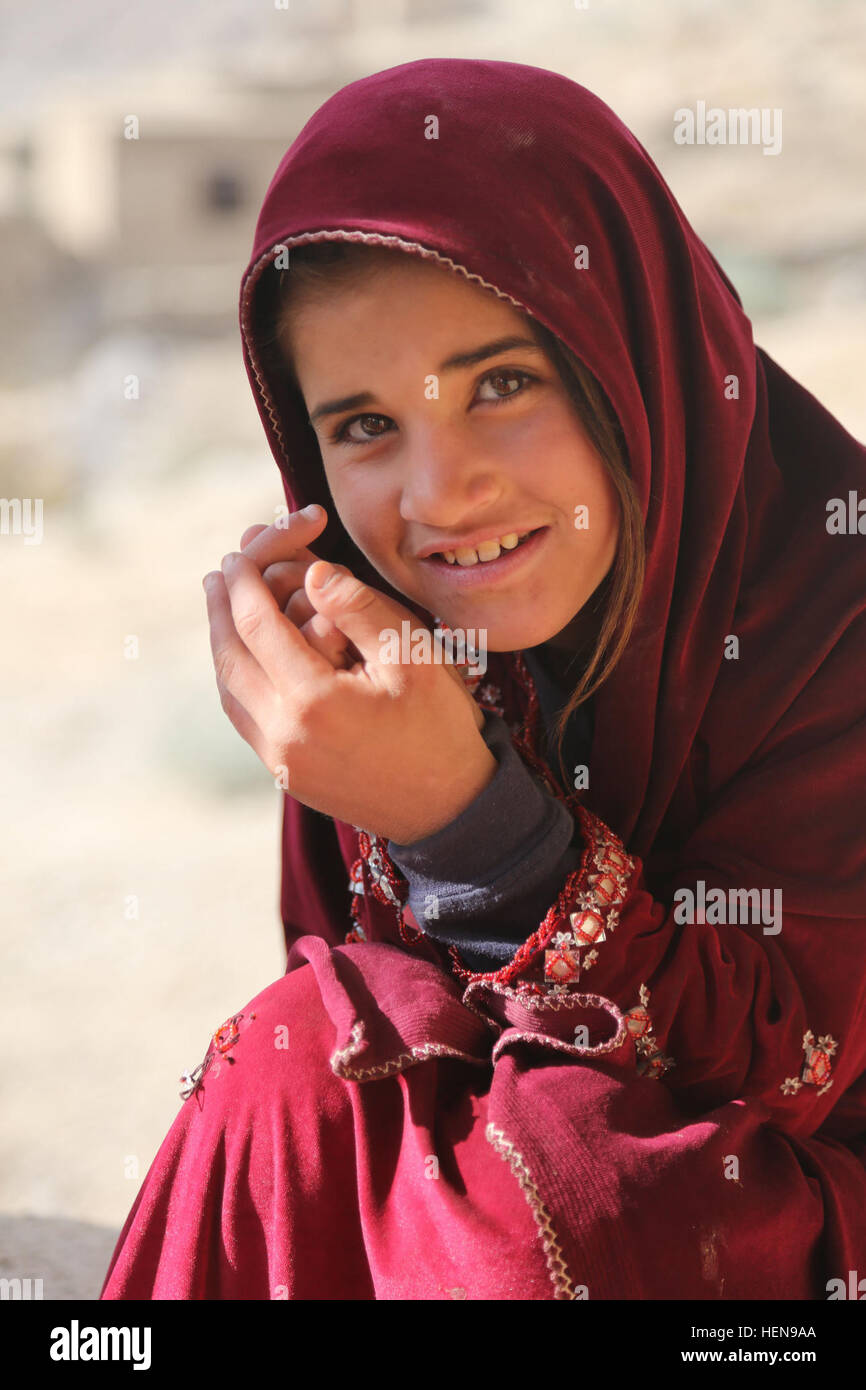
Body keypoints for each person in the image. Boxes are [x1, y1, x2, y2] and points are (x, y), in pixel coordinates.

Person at [100, 57, 866, 1301]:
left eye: (500, 385)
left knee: (562, 1181)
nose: (438, 496)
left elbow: (789, 1070)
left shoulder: (827, 606)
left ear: (632, 353)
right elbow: (371, 1010)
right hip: (556, 1145)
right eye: (362, 426)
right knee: (285, 1071)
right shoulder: (382, 638)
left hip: (800, 1197)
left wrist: (473, 828)